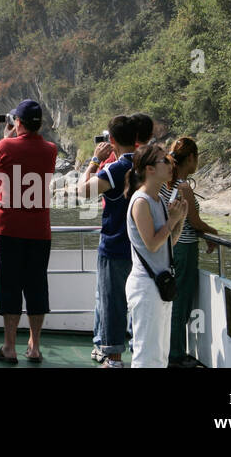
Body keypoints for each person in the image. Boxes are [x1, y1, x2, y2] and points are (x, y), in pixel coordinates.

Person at [0, 99, 57, 364]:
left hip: (8, 228)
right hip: (39, 230)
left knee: (9, 287)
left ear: (18, 122)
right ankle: (34, 347)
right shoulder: (51, 150)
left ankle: (9, 347)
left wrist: (5, 138)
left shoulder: (6, 145)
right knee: (37, 287)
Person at [75, 114, 138, 367]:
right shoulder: (149, 164)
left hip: (115, 246)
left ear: (111, 140)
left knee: (113, 303)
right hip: (145, 249)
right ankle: (141, 354)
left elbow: (83, 192)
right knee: (138, 305)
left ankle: (113, 359)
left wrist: (94, 161)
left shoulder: (116, 168)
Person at [125, 143, 187, 367]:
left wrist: (178, 219)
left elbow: (167, 244)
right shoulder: (141, 202)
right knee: (146, 353)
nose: (170, 165)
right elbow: (151, 244)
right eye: (164, 161)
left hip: (160, 284)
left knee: (160, 354)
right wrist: (171, 221)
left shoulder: (158, 200)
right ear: (150, 169)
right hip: (146, 286)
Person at [163, 136, 218, 366]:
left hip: (170, 248)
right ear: (191, 158)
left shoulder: (167, 183)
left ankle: (170, 350)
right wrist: (214, 232)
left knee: (172, 301)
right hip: (184, 248)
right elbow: (194, 222)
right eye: (198, 158)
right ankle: (175, 354)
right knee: (180, 301)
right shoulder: (183, 187)